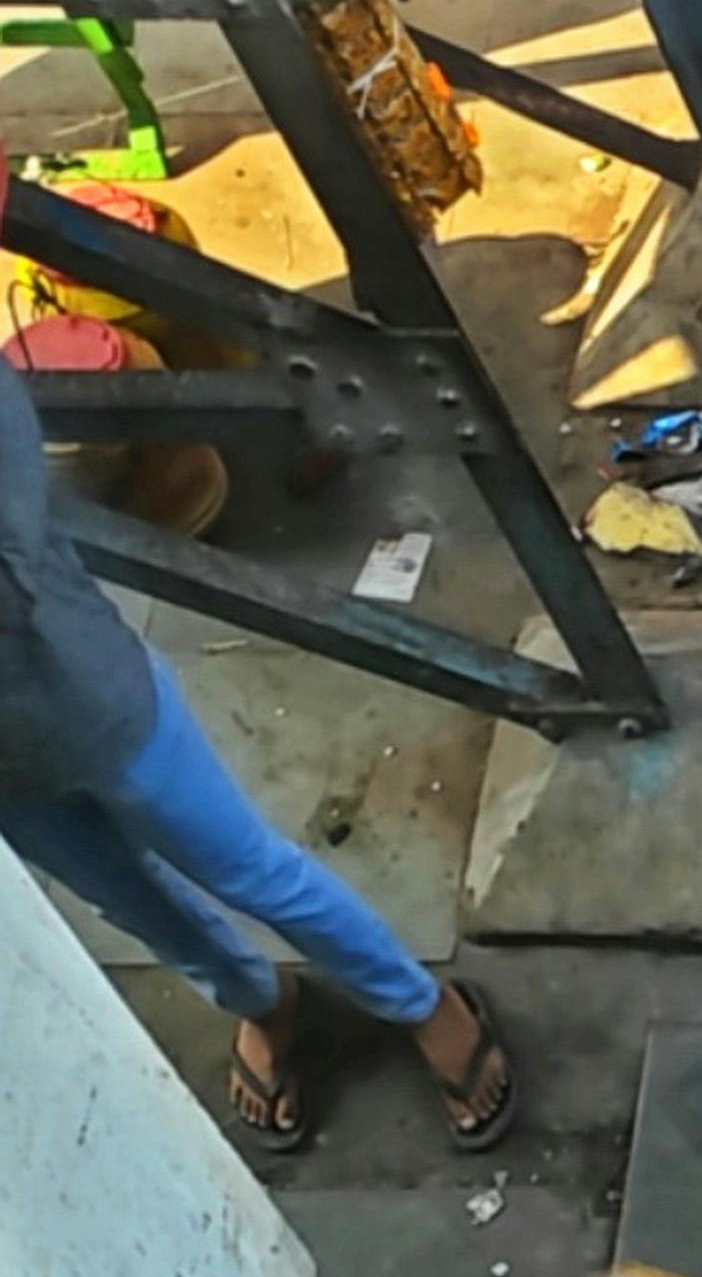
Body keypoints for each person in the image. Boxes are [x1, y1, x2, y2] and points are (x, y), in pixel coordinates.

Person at [0, 364, 512, 1163]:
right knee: (135, 907)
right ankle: (262, 1000)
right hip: (12, 776)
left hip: (90, 697)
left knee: (249, 869)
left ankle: (421, 1002)